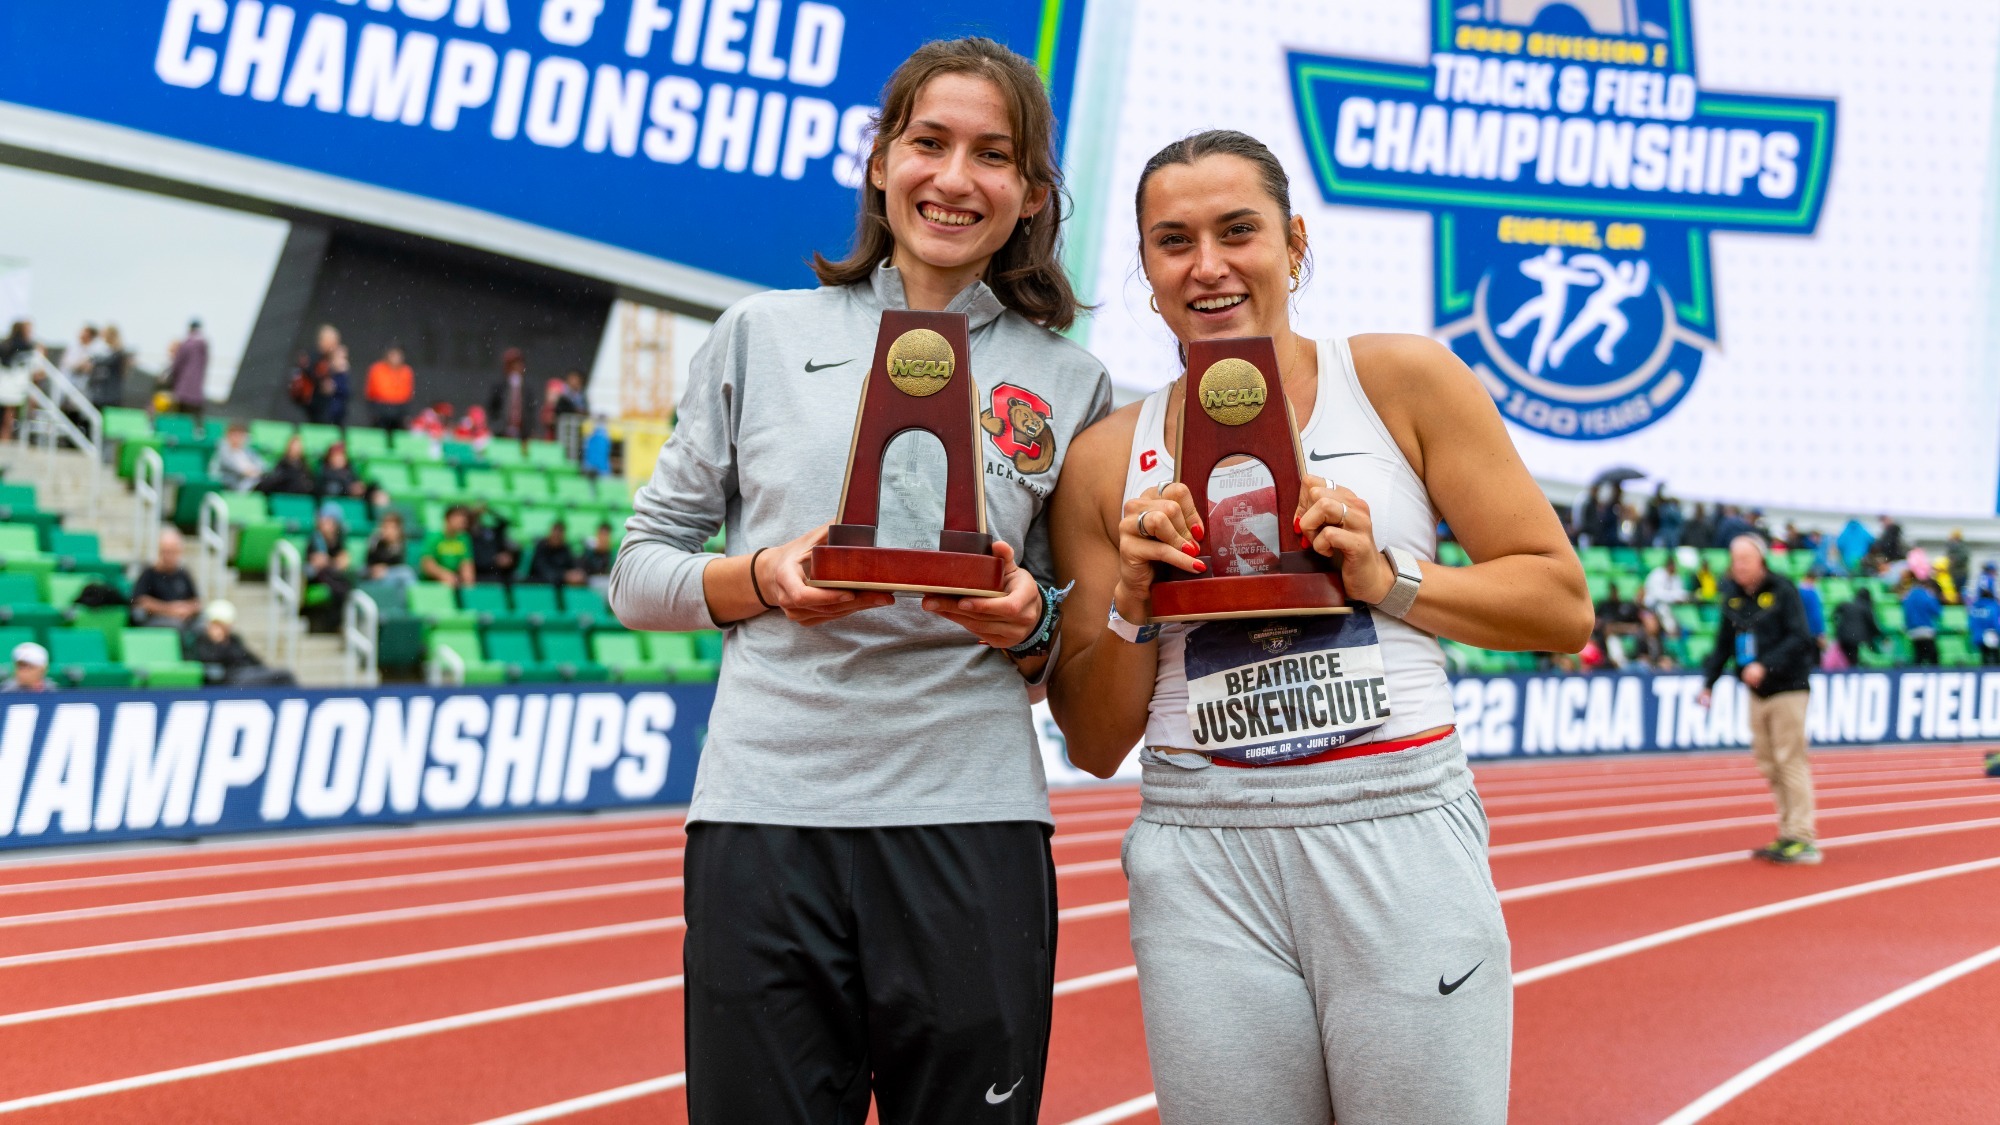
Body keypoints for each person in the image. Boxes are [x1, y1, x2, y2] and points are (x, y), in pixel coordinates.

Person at [606, 38, 1109, 1124]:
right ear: (881, 161)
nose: (953, 178)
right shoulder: (759, 334)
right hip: (764, 821)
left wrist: (1029, 624)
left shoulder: (1071, 380)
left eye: (991, 155)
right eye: (928, 142)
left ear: (1027, 196)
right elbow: (636, 574)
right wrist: (762, 574)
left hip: (970, 830)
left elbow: (1070, 643)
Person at [1045, 128, 1589, 1125]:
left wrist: (1384, 578)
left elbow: (1558, 604)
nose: (1206, 265)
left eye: (1236, 231)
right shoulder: (1102, 459)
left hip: (1393, 826)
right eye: (1172, 242)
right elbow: (1089, 741)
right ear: (1146, 272)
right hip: (1202, 851)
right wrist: (1133, 594)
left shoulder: (1398, 380)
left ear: (1293, 244)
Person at [1700, 535, 1819, 864]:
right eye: (1735, 560)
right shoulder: (1733, 596)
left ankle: (1803, 836)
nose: (1739, 567)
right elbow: (1723, 643)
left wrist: (1765, 665)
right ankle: (1786, 832)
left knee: (1790, 760)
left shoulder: (1783, 591)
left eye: (1745, 560)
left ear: (1761, 560)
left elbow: (1800, 638)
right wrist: (1709, 683)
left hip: (1788, 688)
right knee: (1769, 764)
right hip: (1756, 693)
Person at [188, 600, 295, 686]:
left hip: (247, 673)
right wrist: (219, 643)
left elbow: (251, 658)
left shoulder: (234, 639)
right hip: (230, 678)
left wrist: (263, 669)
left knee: (282, 675)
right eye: (218, 624)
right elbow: (210, 662)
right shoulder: (202, 640)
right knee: (284, 676)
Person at [132, 528, 202, 627]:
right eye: (165, 551)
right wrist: (171, 610)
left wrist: (187, 609)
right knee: (176, 625)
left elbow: (196, 602)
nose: (168, 556)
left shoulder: (184, 574)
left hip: (184, 618)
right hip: (157, 619)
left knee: (203, 626)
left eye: (173, 552)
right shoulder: (149, 573)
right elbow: (141, 602)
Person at [0, 320, 40, 441]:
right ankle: (5, 440)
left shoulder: (5, 343)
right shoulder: (25, 346)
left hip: (4, 382)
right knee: (9, 416)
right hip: (13, 385)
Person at [488, 349, 538, 441]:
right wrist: (496, 426)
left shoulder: (527, 389)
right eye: (513, 364)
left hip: (522, 435)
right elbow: (492, 408)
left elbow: (530, 411)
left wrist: (529, 431)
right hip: (501, 433)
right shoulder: (499, 387)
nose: (517, 367)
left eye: (519, 364)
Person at [422, 505, 476, 588]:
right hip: (433, 581)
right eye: (458, 517)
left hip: (455, 580)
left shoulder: (464, 539)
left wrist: (469, 584)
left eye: (465, 518)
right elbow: (428, 564)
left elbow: (467, 564)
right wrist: (444, 575)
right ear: (447, 518)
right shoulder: (434, 537)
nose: (463, 520)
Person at [164, 320, 209, 421]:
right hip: (197, 392)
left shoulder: (186, 344)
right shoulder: (204, 346)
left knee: (181, 420)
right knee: (194, 420)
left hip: (183, 391)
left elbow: (177, 365)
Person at [364, 345, 415, 432]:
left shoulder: (406, 371)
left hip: (400, 407)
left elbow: (407, 393)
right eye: (393, 355)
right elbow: (375, 391)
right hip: (380, 406)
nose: (395, 358)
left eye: (398, 355)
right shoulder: (377, 369)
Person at [209, 420, 267, 492]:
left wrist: (256, 473)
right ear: (228, 436)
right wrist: (250, 472)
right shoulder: (223, 450)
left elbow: (262, 466)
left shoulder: (248, 451)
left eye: (240, 435)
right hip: (231, 483)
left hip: (253, 481)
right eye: (235, 435)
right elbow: (234, 468)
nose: (237, 438)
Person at [468, 504, 519, 583]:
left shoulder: (496, 532)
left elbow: (505, 522)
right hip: (479, 574)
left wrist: (490, 510)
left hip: (497, 575)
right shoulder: (470, 534)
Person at [366, 510, 417, 589]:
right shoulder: (375, 540)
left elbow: (398, 562)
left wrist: (385, 569)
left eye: (392, 528)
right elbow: (369, 560)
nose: (388, 531)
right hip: (374, 573)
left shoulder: (401, 543)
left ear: (398, 530)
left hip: (392, 573)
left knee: (406, 573)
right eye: (385, 527)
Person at [1834, 586, 1882, 667]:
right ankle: (1852, 670)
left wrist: (1837, 627)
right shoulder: (1866, 607)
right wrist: (1880, 634)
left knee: (1846, 658)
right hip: (1856, 639)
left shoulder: (1846, 604)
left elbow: (1835, 614)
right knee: (1853, 659)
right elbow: (1872, 624)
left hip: (1843, 637)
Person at [1642, 553, 1688, 637]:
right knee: (1663, 608)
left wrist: (1680, 598)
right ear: (1668, 565)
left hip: (1669, 606)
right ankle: (1671, 632)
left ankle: (1676, 632)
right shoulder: (1657, 574)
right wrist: (1674, 598)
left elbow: (1680, 593)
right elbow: (1658, 595)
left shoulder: (1676, 577)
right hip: (1651, 605)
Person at [527, 520, 584, 586]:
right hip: (540, 585)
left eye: (560, 532)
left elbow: (572, 566)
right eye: (555, 532)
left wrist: (576, 574)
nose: (557, 535)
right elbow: (543, 571)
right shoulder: (541, 547)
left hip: (560, 585)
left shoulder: (566, 549)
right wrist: (564, 576)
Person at [87, 325, 131, 411]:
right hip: (101, 393)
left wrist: (92, 359)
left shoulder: (119, 352)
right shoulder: (107, 350)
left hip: (111, 395)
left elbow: (106, 361)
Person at [1903, 578, 1942, 665]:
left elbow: (1906, 614)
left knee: (1918, 656)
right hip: (1926, 630)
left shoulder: (1908, 597)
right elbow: (1937, 611)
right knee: (1933, 657)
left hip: (1912, 631)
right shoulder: (1927, 596)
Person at [1970, 585, 2000, 665]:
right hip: (1991, 635)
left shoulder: (1974, 607)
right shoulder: (1993, 606)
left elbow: (1971, 623)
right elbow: (1996, 621)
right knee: (1994, 657)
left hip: (1978, 635)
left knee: (1984, 657)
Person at [579, 522, 614, 587]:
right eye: (602, 534)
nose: (603, 538)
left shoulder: (612, 553)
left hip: (606, 580)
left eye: (606, 535)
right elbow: (584, 571)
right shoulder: (589, 550)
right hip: (590, 581)